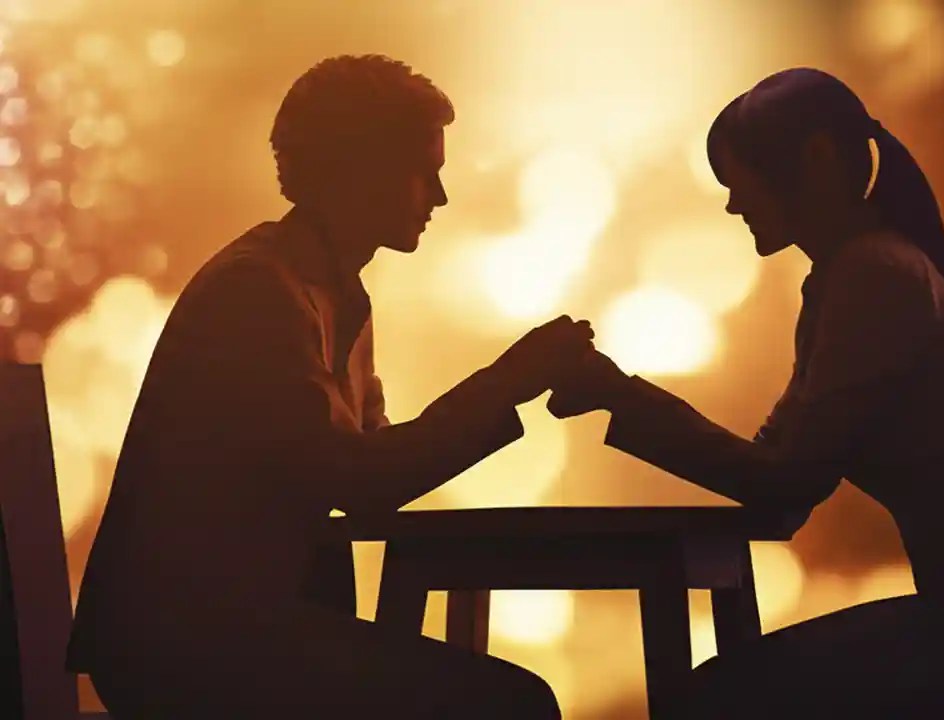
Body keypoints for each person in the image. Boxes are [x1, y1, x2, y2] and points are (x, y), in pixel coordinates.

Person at [548, 68, 944, 717]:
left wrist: (619, 397)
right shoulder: (846, 282)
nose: (732, 205)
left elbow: (782, 483)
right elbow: (777, 476)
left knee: (715, 698)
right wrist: (621, 399)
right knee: (717, 693)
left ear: (813, 160)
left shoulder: (875, 278)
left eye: (740, 181)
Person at [66, 55, 585, 718]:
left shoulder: (335, 295)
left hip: (239, 632)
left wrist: (509, 385)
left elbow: (374, 474)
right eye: (423, 172)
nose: (440, 196)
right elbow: (362, 481)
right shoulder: (258, 293)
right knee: (513, 704)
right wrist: (508, 382)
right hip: (194, 644)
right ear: (359, 170)